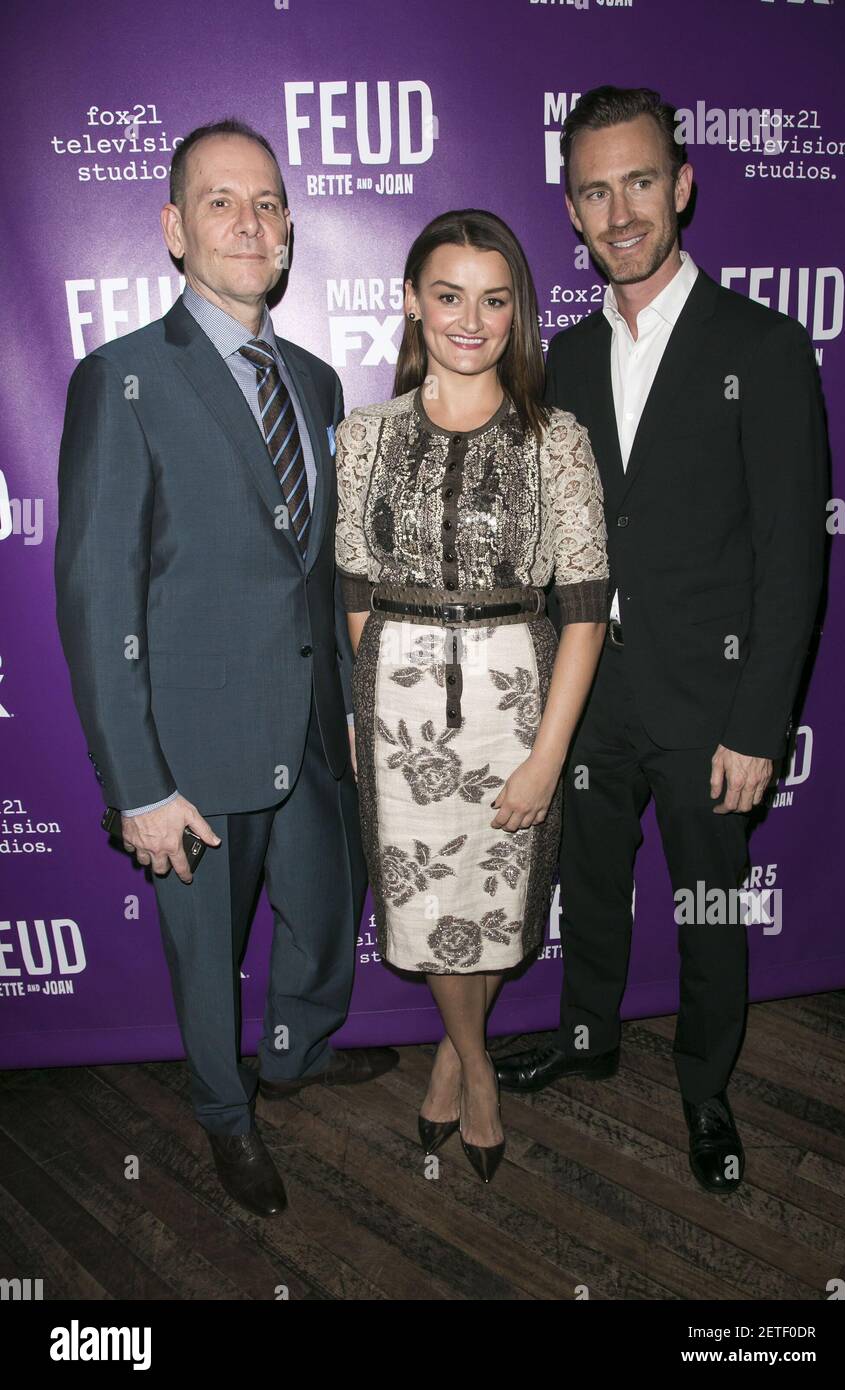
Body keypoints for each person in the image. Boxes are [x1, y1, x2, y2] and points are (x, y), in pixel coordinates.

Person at [55, 118, 396, 1219]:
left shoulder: (313, 378)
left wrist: (345, 713)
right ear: (172, 227)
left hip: (308, 726)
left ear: (290, 231)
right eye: (219, 202)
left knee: (318, 909)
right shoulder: (123, 379)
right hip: (191, 753)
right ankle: (225, 1112)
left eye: (266, 204)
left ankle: (294, 1055)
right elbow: (98, 593)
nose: (248, 223)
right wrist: (137, 785)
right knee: (205, 962)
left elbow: (317, 569)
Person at [496, 87, 829, 1194]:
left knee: (706, 907)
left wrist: (757, 723)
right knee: (588, 884)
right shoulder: (564, 359)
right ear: (573, 211)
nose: (619, 208)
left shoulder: (764, 345)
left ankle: (702, 1087)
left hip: (710, 700)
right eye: (594, 189)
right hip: (595, 689)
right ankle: (587, 1036)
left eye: (639, 180)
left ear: (680, 184)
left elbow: (792, 556)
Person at [334, 210, 609, 1183]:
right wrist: (374, 702)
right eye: (447, 295)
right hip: (400, 708)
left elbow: (581, 606)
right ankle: (481, 1066)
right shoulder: (364, 434)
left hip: (517, 700)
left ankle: (456, 1056)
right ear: (412, 301)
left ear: (516, 312)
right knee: (429, 907)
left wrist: (547, 753)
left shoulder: (555, 439)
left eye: (493, 299)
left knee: (489, 900)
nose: (469, 319)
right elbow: (357, 583)